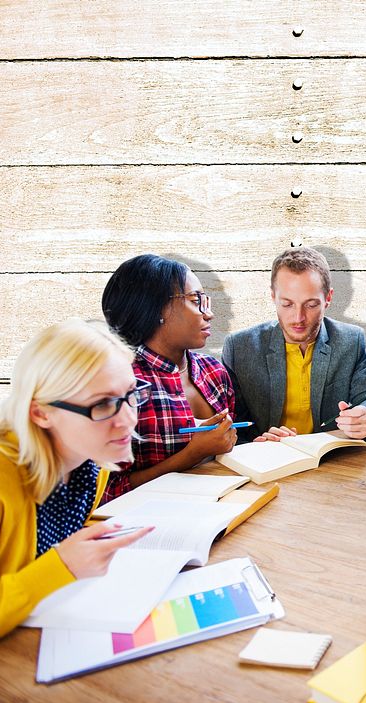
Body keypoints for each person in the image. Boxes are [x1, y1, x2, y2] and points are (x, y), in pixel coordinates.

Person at [1, 319, 155, 638]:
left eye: (131, 394)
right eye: (102, 404)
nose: (128, 419)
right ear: (41, 413)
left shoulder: (90, 462)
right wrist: (59, 568)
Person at [222, 246, 366, 443]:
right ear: (273, 297)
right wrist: (257, 446)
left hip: (329, 457)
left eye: (311, 305)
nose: (298, 318)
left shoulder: (349, 340)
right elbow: (229, 425)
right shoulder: (239, 348)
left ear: (328, 298)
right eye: (287, 304)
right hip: (265, 458)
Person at [101, 254, 237, 501]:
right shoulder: (121, 385)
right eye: (196, 301)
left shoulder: (214, 371)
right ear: (156, 309)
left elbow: (231, 452)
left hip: (224, 507)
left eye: (205, 300)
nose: (209, 314)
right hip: (149, 520)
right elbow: (105, 493)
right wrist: (190, 455)